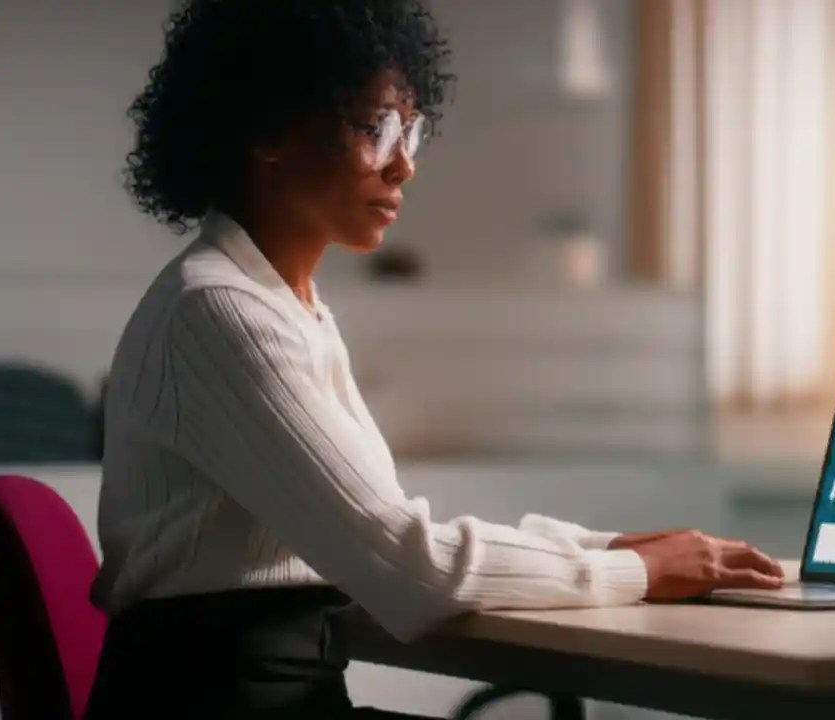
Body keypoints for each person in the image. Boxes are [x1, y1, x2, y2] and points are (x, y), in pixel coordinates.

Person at [83, 1, 784, 717]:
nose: (406, 164)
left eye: (410, 129)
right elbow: (406, 563)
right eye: (375, 128)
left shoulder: (284, 308)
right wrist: (631, 569)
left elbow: (386, 532)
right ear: (269, 129)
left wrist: (605, 544)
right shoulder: (220, 311)